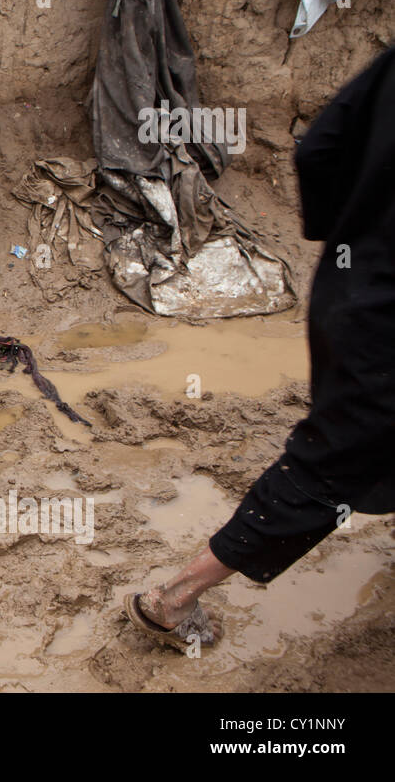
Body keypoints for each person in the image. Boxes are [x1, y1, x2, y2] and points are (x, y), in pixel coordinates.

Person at [125, 43, 395, 650]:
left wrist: (344, 240)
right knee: (328, 466)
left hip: (349, 291)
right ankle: (173, 598)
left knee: (340, 452)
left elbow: (320, 147)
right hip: (385, 324)